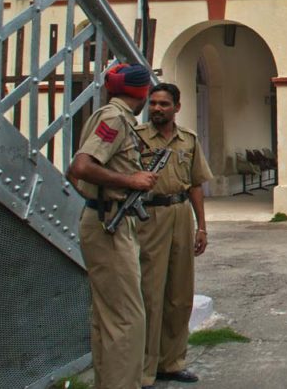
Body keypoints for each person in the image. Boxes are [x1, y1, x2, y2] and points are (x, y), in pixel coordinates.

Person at [68, 64, 157, 389]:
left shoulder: (111, 115)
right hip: (110, 225)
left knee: (109, 317)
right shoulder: (114, 119)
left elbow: (75, 171)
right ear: (142, 92)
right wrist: (128, 180)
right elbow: (81, 166)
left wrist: (95, 199)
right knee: (127, 318)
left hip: (106, 217)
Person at [134, 84, 212, 387]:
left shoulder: (188, 141)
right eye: (153, 103)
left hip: (180, 213)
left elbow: (195, 184)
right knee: (149, 293)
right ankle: (144, 369)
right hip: (149, 215)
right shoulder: (137, 138)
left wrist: (201, 226)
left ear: (176, 107)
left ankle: (172, 362)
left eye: (164, 104)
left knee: (179, 294)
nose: (157, 109)